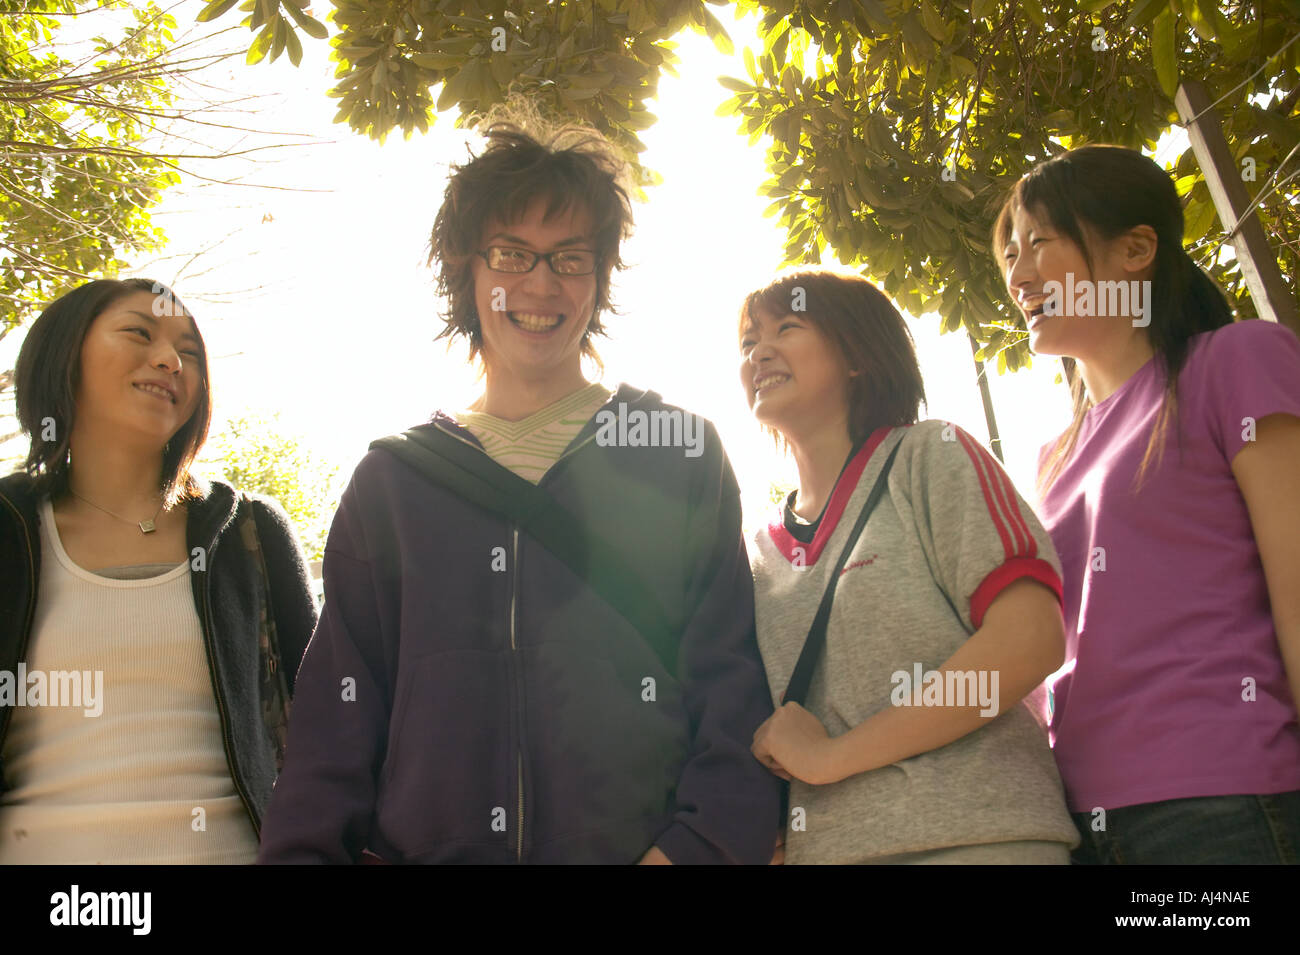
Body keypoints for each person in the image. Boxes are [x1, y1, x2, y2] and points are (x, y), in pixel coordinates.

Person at [257, 107, 781, 864]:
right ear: (465, 272)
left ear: (598, 280)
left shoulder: (678, 452)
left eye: (570, 257)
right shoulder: (392, 484)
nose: (540, 282)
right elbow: (336, 722)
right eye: (511, 252)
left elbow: (730, 689)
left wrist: (691, 851)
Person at [995, 144, 1300, 864]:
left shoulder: (1238, 360)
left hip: (1221, 803)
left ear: (1135, 249)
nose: (1018, 272)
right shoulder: (1052, 458)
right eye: (1010, 251)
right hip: (1080, 822)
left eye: (1039, 240)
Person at [741, 270, 1079, 864]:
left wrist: (829, 758)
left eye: (786, 328)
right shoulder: (754, 551)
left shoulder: (930, 456)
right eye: (748, 341)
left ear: (856, 355)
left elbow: (1029, 640)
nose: (758, 351)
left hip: (979, 839)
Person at [0, 278, 317, 864]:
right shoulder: (9, 530)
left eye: (190, 353)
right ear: (63, 354)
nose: (171, 360)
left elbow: (326, 731)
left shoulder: (249, 533)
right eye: (138, 333)